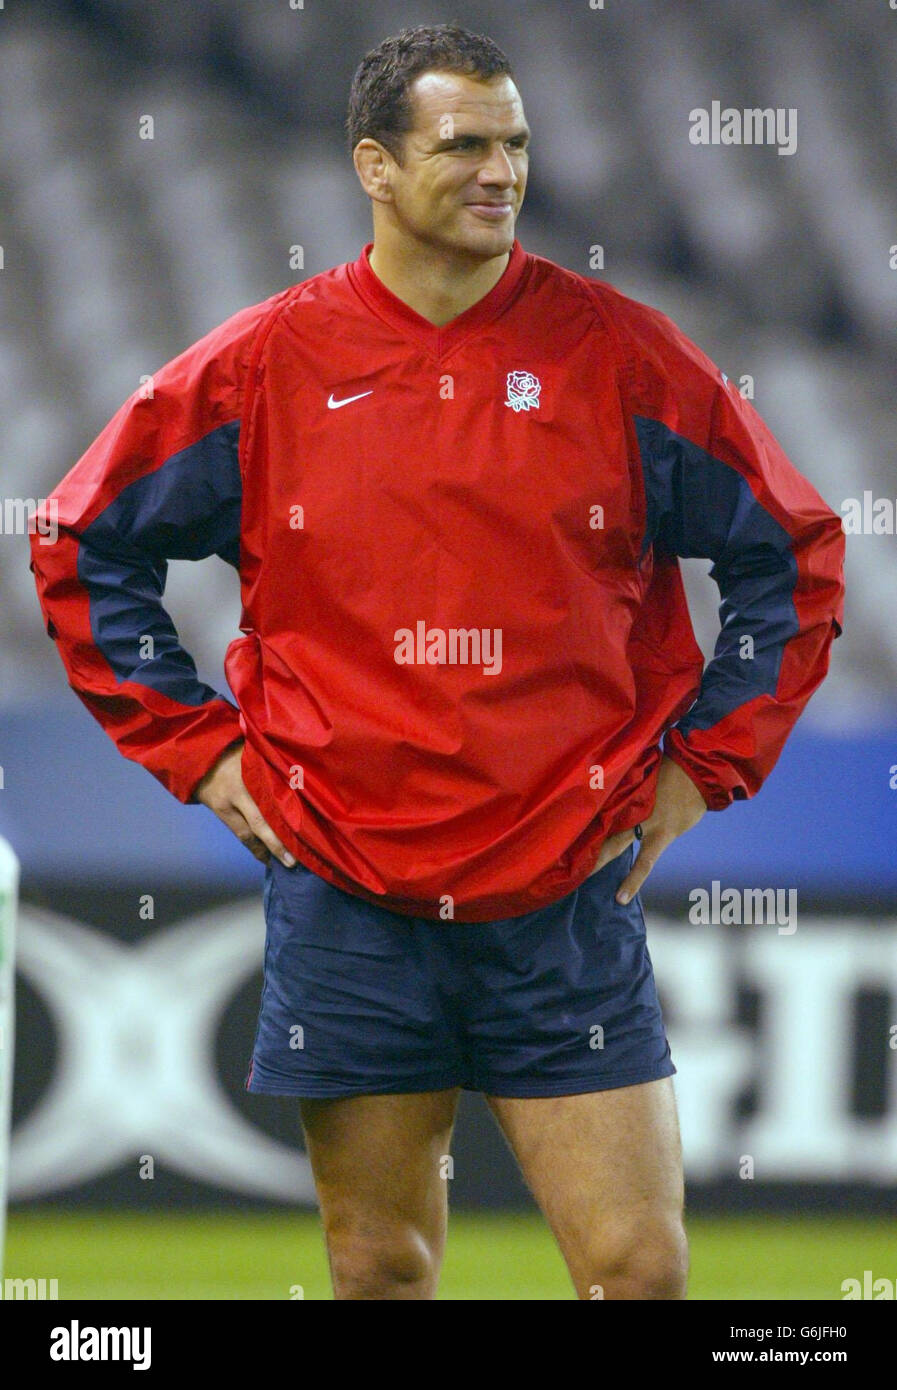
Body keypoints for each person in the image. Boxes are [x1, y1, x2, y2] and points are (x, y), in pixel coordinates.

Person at [30, 23, 845, 1300]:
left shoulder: (621, 356)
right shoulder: (263, 366)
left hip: (568, 891)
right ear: (374, 164)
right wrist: (198, 750)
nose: (501, 172)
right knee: (382, 1270)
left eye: (515, 144)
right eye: (464, 144)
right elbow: (81, 541)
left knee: (639, 1272)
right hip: (347, 887)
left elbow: (794, 553)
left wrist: (708, 764)